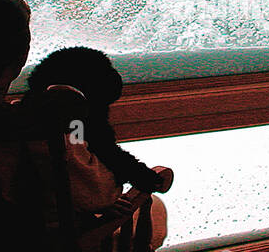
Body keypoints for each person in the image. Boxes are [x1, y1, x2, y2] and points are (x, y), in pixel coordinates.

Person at [0, 0, 168, 252]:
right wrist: (108, 193)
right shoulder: (38, 124)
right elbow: (97, 194)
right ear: (21, 59)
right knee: (153, 212)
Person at [26, 46, 174, 196]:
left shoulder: (26, 111)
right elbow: (104, 152)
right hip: (72, 205)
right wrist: (141, 177)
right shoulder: (76, 127)